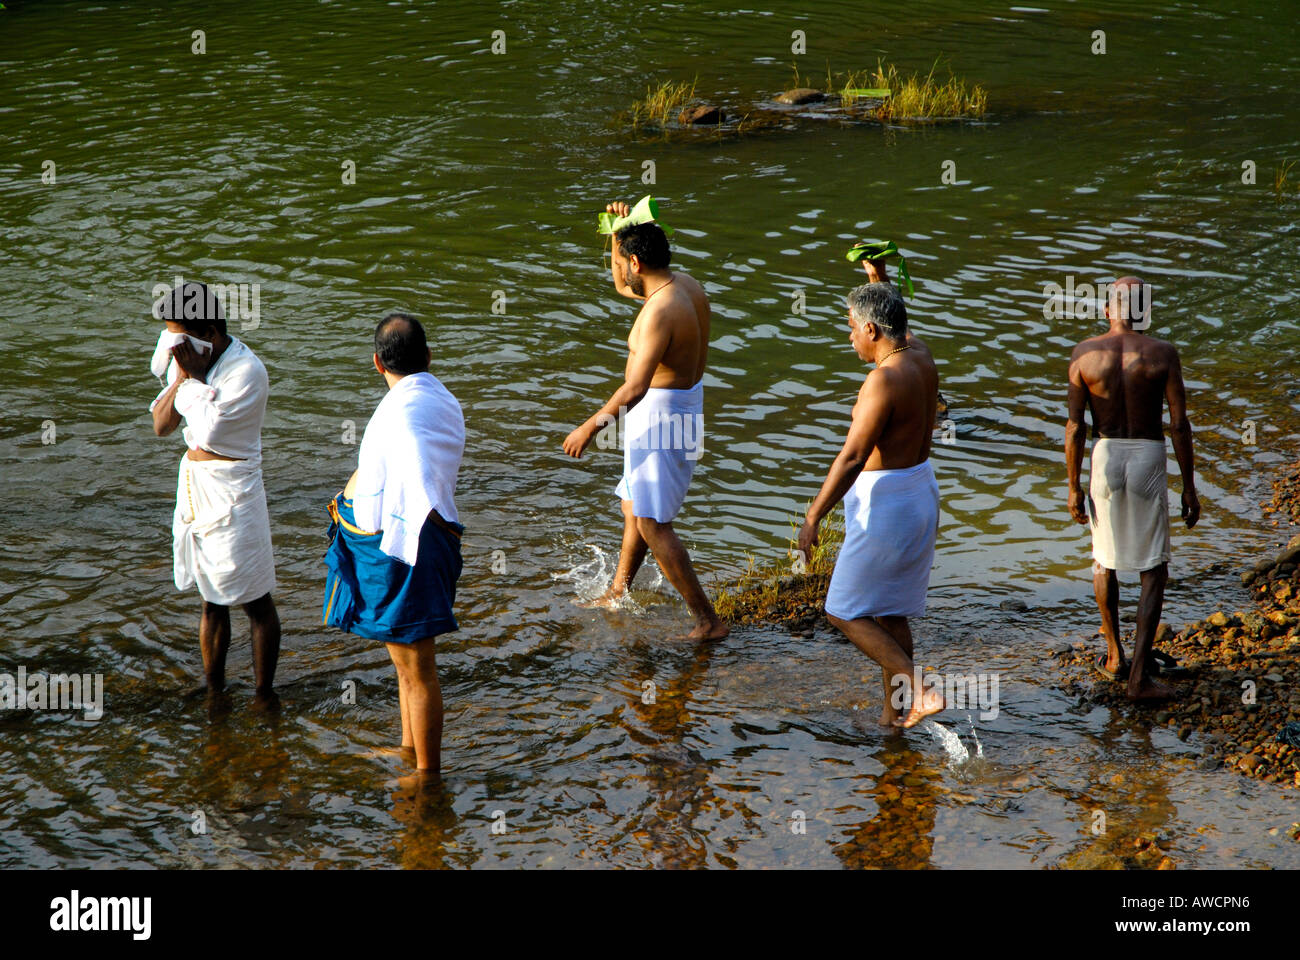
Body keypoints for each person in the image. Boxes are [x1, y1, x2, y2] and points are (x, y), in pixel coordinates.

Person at [562, 199, 728, 642]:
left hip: (662, 416)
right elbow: (623, 286)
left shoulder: (658, 312)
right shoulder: (684, 285)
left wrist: (590, 427)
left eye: (621, 259)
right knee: (634, 507)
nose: (619, 269)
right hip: (679, 407)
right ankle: (618, 590)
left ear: (636, 261)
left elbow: (635, 388)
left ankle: (707, 620)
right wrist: (617, 231)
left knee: (653, 523)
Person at [324, 314, 465, 776]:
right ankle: (408, 752)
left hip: (405, 545)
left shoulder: (402, 413)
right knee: (406, 666)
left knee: (418, 668)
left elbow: (410, 475)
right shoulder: (437, 399)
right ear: (428, 357)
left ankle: (427, 779)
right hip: (419, 539)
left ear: (376, 364)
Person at [798, 279, 943, 729]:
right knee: (889, 611)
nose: (850, 338)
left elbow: (852, 458)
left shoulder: (881, 382)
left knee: (842, 610)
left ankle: (919, 689)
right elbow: (904, 324)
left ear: (873, 331)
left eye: (852, 328)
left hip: (887, 506)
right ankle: (893, 714)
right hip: (920, 490)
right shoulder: (920, 355)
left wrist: (812, 516)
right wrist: (880, 282)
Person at [1066, 276, 1199, 701]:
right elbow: (1178, 424)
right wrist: (1189, 487)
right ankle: (1139, 678)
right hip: (1146, 456)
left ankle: (1113, 655)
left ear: (1108, 311)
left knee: (1104, 561)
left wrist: (1072, 486)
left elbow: (1075, 427)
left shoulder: (1084, 354)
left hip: (1104, 457)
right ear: (1143, 313)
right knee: (1153, 568)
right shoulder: (1162, 354)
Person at [149, 281, 280, 701]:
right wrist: (185, 376)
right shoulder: (184, 360)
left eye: (179, 335)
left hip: (235, 491)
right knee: (210, 599)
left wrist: (195, 379)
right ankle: (214, 690)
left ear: (208, 331)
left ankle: (264, 697)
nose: (171, 345)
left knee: (256, 600)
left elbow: (208, 431)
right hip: (195, 488)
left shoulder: (248, 372)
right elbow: (162, 426)